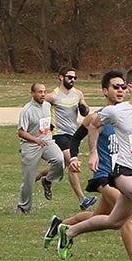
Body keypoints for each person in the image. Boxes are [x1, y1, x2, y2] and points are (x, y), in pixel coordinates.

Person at [57, 66, 132, 261]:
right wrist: (82, 156)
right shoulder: (101, 115)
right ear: (105, 91)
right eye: (115, 87)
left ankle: (64, 227)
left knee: (109, 219)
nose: (120, 90)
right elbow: (77, 137)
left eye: (122, 87)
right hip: (106, 175)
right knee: (131, 216)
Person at [45, 68, 92, 207]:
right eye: (69, 77)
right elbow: (38, 110)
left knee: (62, 166)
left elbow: (86, 112)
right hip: (58, 134)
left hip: (73, 135)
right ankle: (82, 199)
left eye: (74, 78)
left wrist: (84, 108)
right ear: (60, 77)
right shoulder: (52, 96)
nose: (72, 80)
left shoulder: (78, 94)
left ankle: (41, 179)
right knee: (72, 163)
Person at [15, 82, 57, 215]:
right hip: (30, 145)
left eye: (44, 91)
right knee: (29, 180)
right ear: (32, 93)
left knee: (60, 161)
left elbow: (45, 124)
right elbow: (21, 132)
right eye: (39, 92)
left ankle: (47, 180)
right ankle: (23, 207)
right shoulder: (27, 110)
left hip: (46, 142)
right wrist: (35, 140)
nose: (43, 94)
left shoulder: (47, 106)